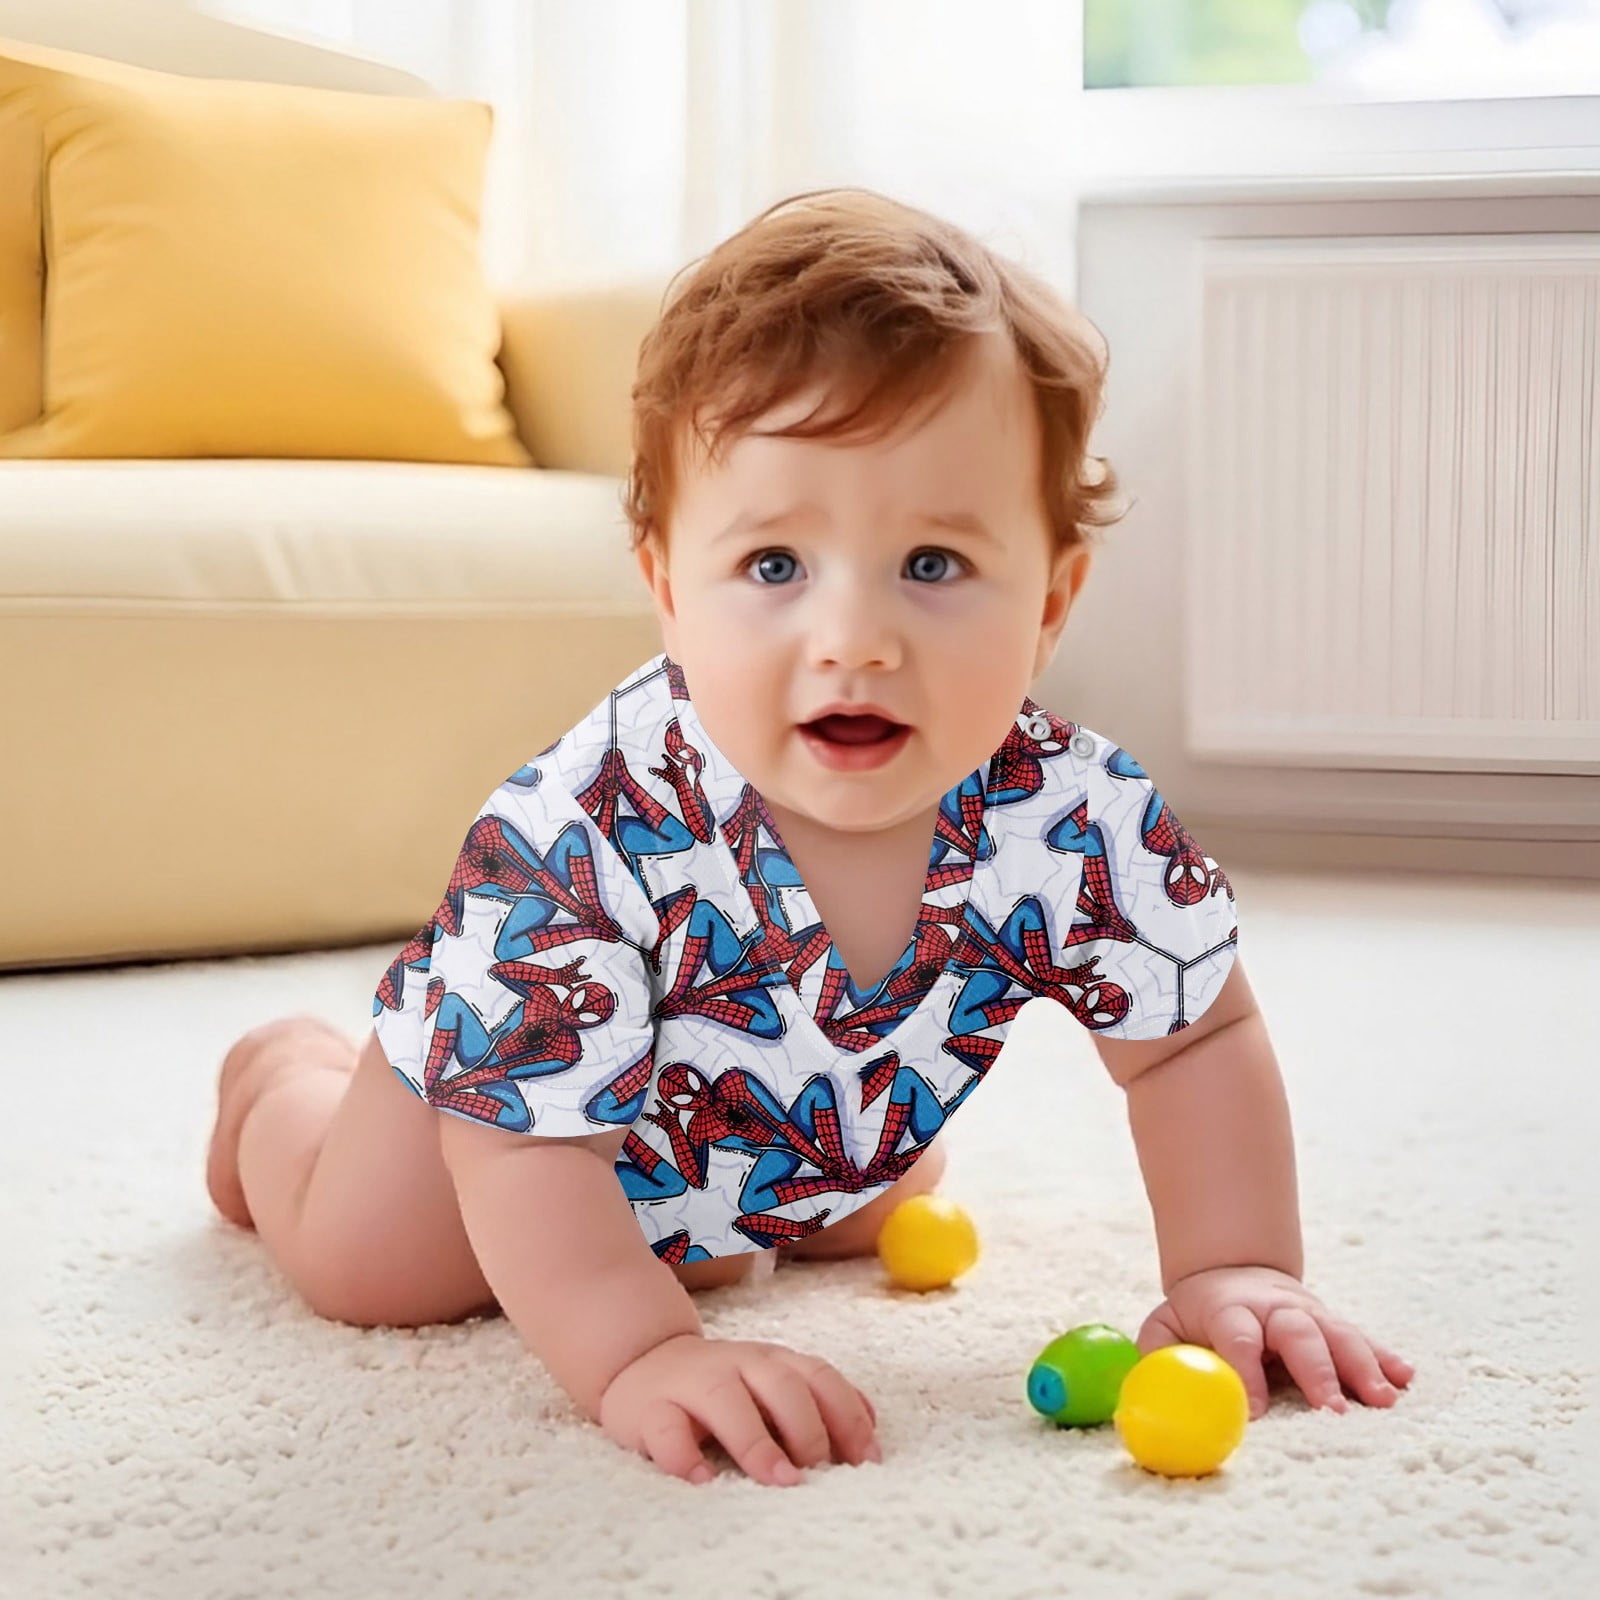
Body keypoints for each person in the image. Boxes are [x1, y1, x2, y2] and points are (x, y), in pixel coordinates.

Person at [205, 186, 1414, 1489]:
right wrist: (639, 1354)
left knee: (853, 1193)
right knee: (370, 1270)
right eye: (776, 566)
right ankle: (282, 1084)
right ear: (669, 588)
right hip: (499, 1121)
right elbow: (524, 1149)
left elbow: (1196, 1042)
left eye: (935, 566)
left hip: (767, 1135)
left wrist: (1237, 1264)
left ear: (1053, 597)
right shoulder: (585, 828)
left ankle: (758, 1194)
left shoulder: (1076, 818)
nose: (856, 637)